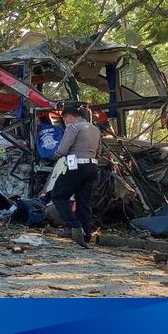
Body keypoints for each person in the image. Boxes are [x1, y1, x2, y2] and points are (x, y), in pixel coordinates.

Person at [51, 105, 101, 248]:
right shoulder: (95, 129)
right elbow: (98, 151)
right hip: (92, 166)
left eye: (65, 119)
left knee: (58, 196)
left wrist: (52, 156)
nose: (65, 122)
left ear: (69, 117)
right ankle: (86, 234)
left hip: (76, 166)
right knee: (83, 201)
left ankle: (74, 226)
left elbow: (62, 150)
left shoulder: (73, 128)